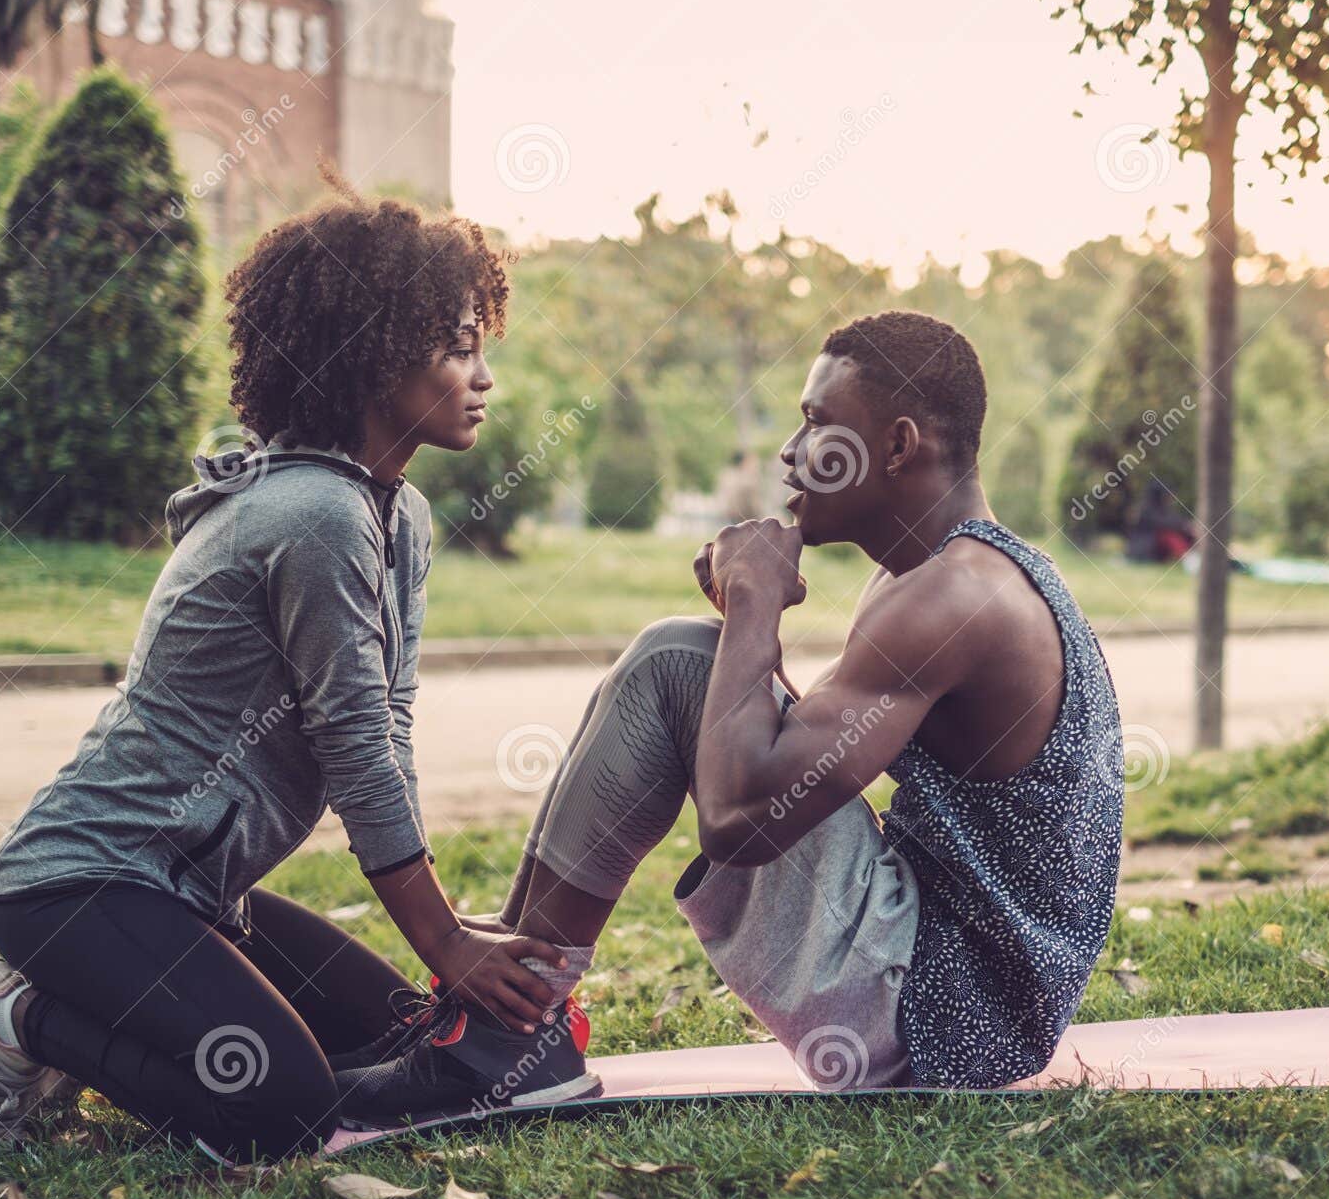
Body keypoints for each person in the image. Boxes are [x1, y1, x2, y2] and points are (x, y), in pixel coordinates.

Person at [0, 168, 592, 1165]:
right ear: (375, 359)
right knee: (280, 1107)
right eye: (460, 347)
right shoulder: (310, 514)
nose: (485, 375)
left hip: (193, 891)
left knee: (401, 1036)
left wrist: (449, 936)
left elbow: (386, 723)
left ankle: (115, 1008)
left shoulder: (391, 512)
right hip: (80, 886)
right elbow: (355, 750)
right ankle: (15, 1015)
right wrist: (447, 943)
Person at [336, 310, 1127, 1123]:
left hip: (948, 1017)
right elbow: (797, 758)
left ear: (895, 446)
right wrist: (745, 630)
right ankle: (497, 1015)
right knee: (690, 661)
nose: (790, 451)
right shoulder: (939, 575)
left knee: (678, 659)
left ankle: (510, 1034)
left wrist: (752, 611)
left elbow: (744, 820)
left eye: (818, 423)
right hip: (958, 996)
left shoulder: (953, 597)